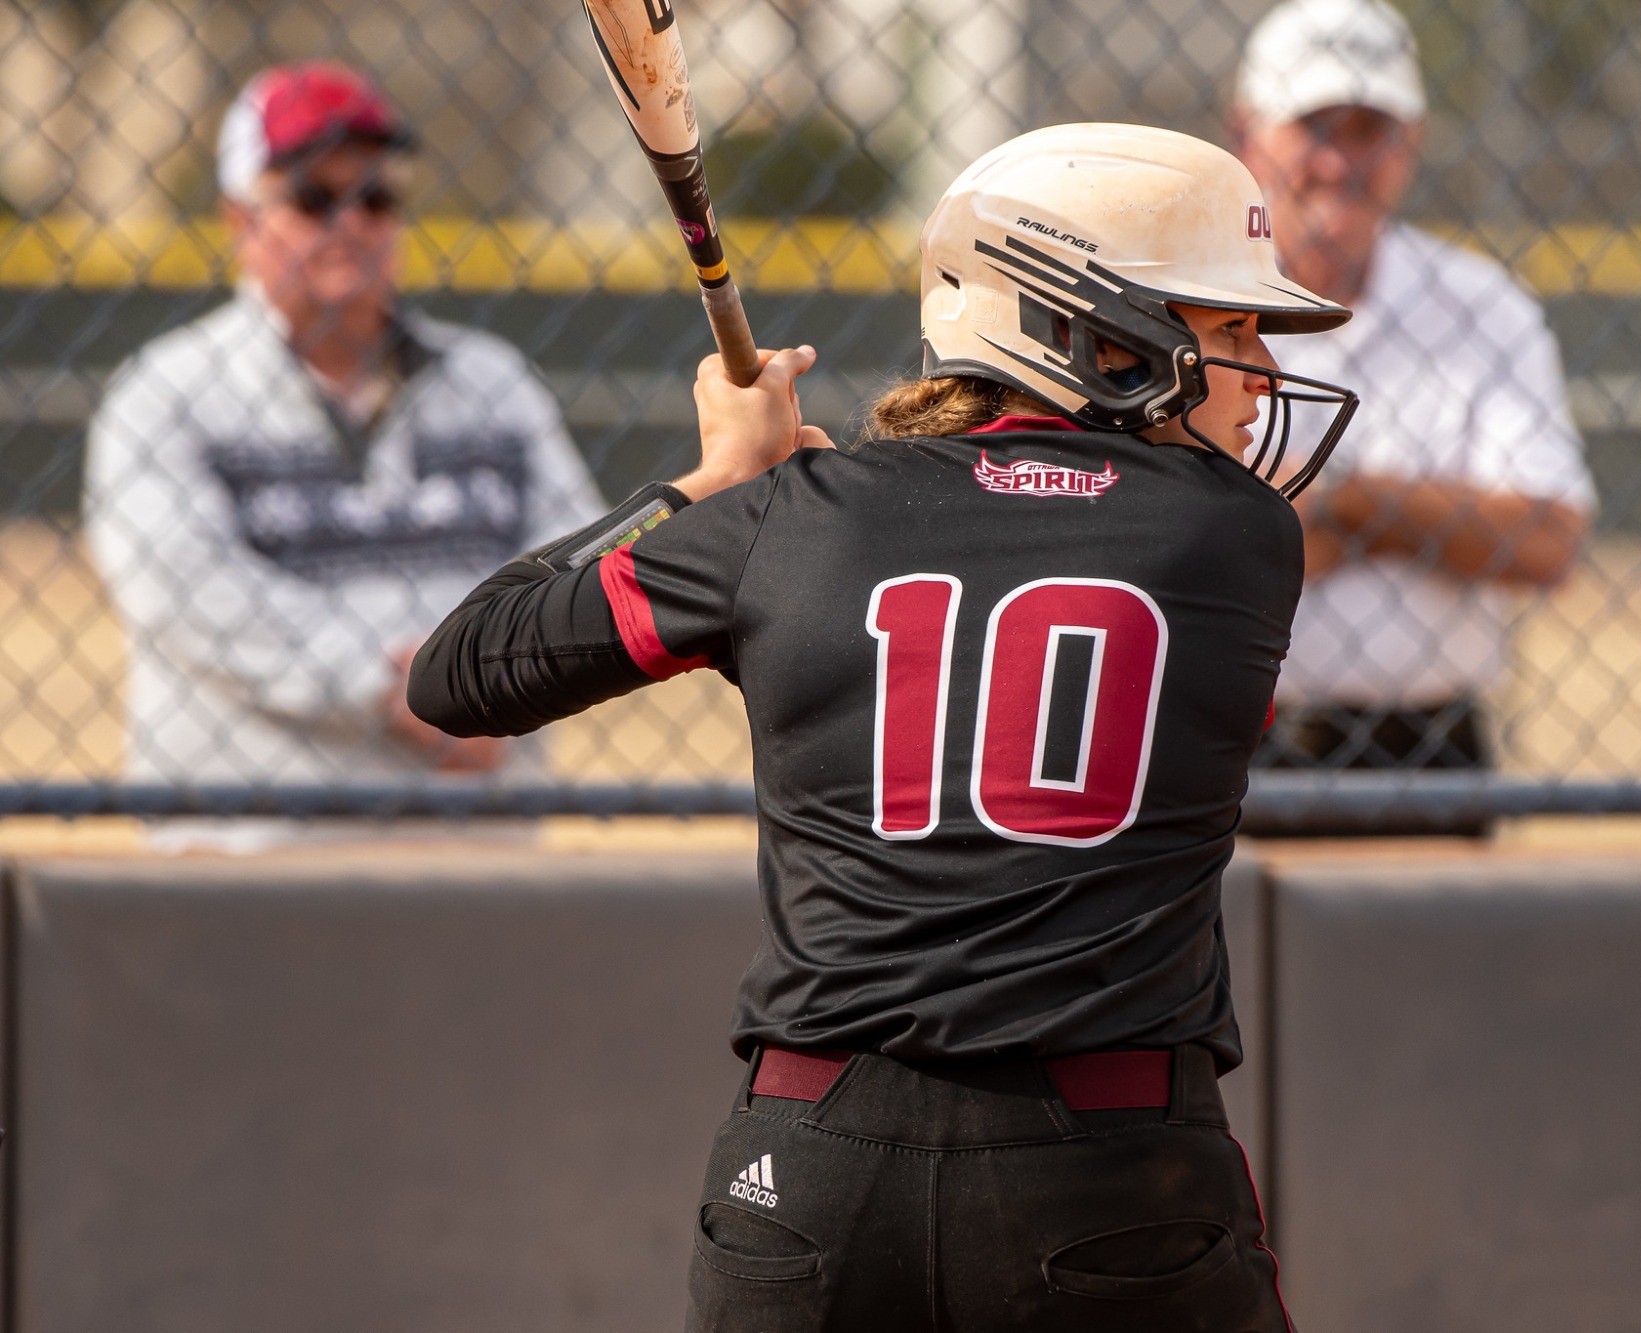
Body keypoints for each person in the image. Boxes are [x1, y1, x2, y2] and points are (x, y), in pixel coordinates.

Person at [410, 123, 1358, 1330]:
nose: (1259, 373)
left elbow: (462, 670)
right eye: (1228, 331)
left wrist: (713, 487)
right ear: (1099, 335)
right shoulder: (1237, 537)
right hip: (1111, 1170)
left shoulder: (788, 521)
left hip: (807, 1165)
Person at [85, 62, 604, 794]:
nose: (352, 223)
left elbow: (579, 553)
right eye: (313, 198)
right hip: (251, 836)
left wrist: (504, 677)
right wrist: (401, 689)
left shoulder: (494, 379)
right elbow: (184, 588)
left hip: (477, 841)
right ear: (240, 220)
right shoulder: (166, 392)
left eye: (376, 197)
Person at [1232, 0, 1597, 807]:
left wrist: (1339, 502)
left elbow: (1547, 539)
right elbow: (1174, 545)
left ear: (1412, 139)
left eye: (1368, 129)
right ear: (1247, 131)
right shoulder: (1195, 305)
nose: (1340, 161)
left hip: (1433, 746)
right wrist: (1431, 523)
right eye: (1313, 127)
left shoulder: (1480, 302)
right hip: (1228, 741)